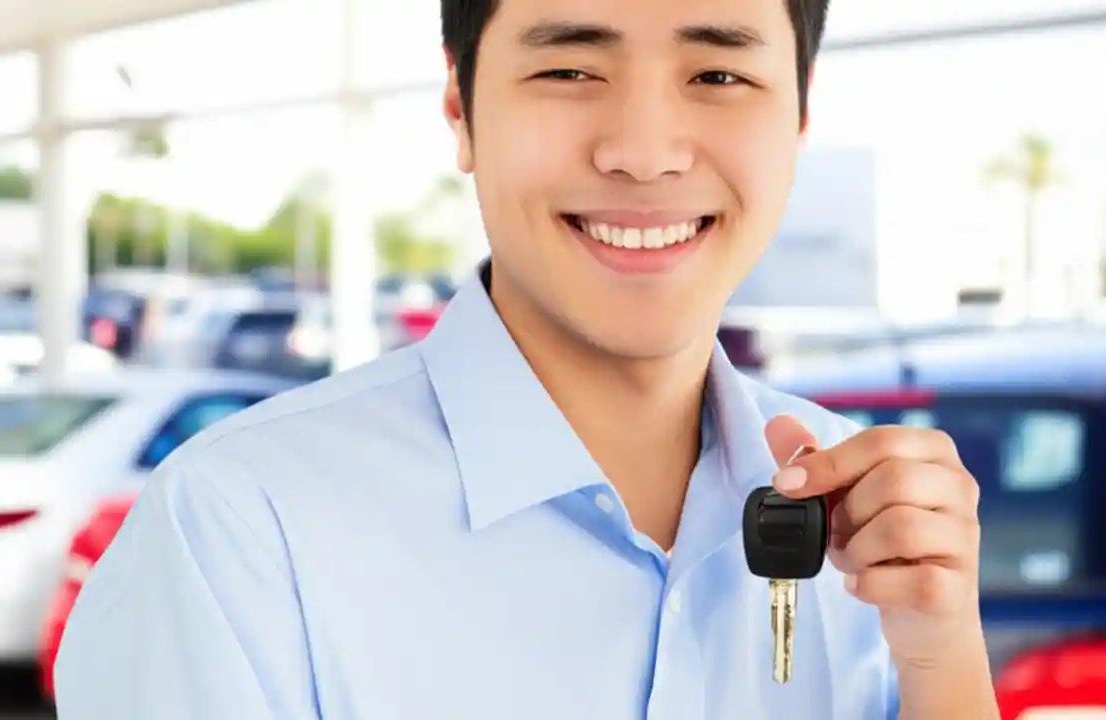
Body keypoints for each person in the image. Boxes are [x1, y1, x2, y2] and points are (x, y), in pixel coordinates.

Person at [54, 0, 999, 717]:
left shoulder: (872, 532)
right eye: (570, 69)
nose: (644, 153)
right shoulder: (240, 531)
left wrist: (941, 654)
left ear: (799, 116)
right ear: (460, 107)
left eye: (718, 74)